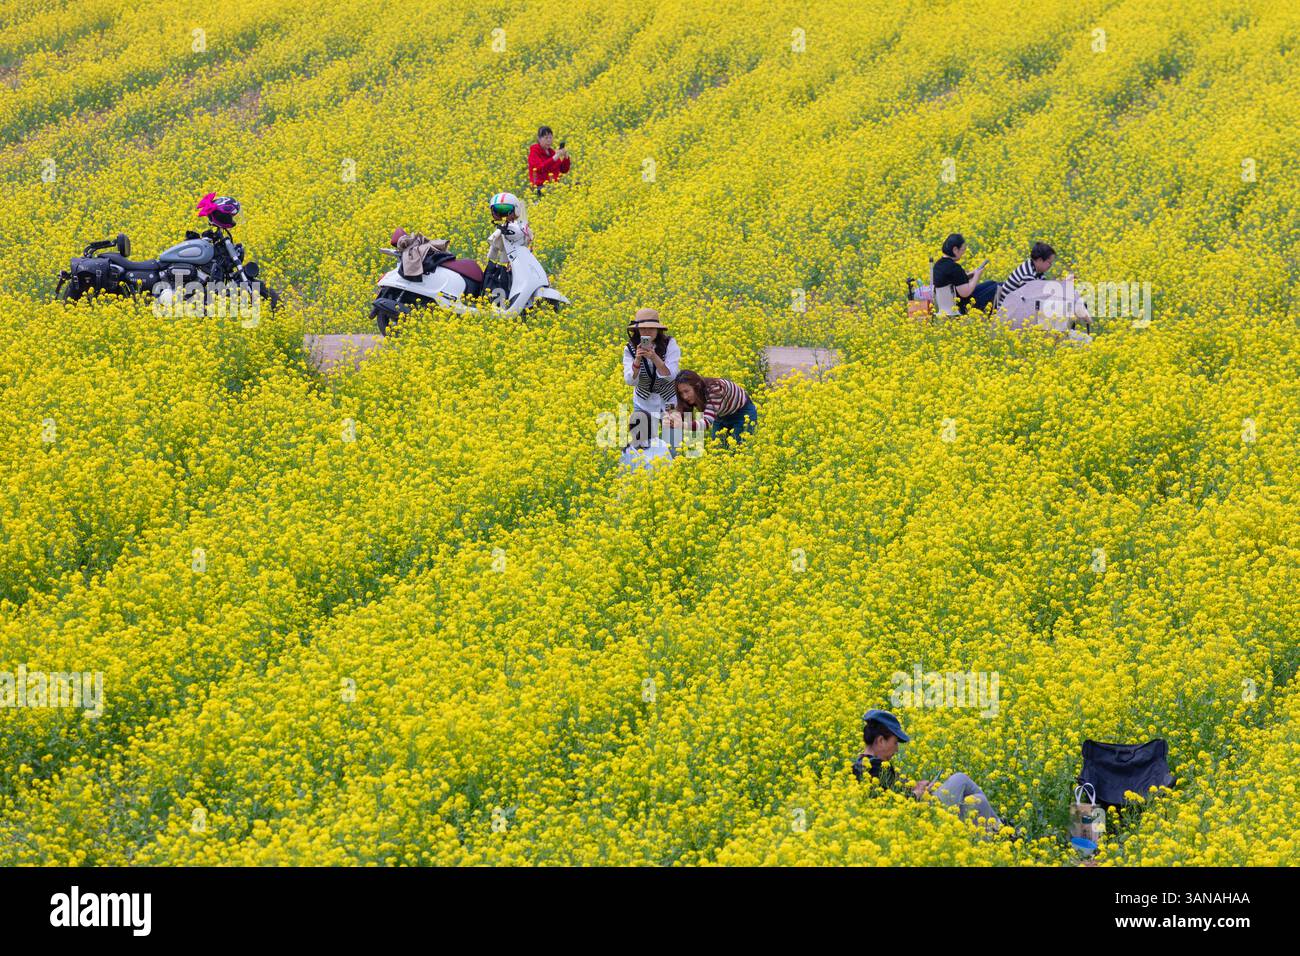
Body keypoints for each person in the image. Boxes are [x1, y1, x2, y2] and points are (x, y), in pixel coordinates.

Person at [852, 708, 1003, 830]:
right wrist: (918, 793)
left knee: (978, 802)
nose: (896, 750)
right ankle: (1003, 828)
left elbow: (891, 794)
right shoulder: (872, 768)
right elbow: (891, 806)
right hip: (918, 822)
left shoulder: (867, 764)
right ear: (880, 741)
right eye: (895, 743)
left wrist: (916, 787)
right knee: (960, 779)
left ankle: (995, 840)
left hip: (917, 814)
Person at [622, 308, 680, 448]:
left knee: (672, 445)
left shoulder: (670, 344)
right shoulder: (630, 349)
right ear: (637, 331)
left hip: (669, 401)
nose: (647, 332)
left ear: (658, 330)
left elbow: (671, 376)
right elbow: (630, 381)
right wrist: (637, 360)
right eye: (643, 329)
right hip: (643, 401)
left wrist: (654, 357)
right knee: (641, 447)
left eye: (651, 328)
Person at [667, 369, 757, 445]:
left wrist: (682, 425)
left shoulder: (715, 389)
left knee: (738, 449)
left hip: (742, 414)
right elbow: (687, 419)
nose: (684, 396)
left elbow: (706, 423)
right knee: (718, 448)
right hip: (721, 415)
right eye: (681, 393)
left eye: (686, 391)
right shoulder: (693, 396)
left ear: (697, 386)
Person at [931, 233, 999, 314]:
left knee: (991, 283)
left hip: (949, 304)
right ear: (955, 250)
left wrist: (971, 274)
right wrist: (977, 276)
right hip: (964, 306)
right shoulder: (954, 268)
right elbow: (965, 293)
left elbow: (954, 281)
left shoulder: (939, 265)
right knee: (998, 287)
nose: (963, 253)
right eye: (962, 250)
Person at [483, 192, 532, 299]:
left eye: (506, 209)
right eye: (499, 210)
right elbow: (494, 243)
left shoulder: (519, 226)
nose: (504, 213)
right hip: (505, 260)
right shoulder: (502, 228)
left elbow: (527, 236)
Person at [994, 241, 1055, 309]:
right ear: (1040, 260)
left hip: (1015, 305)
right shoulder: (1028, 274)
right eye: (1049, 263)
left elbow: (1042, 287)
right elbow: (1030, 300)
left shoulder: (1035, 267)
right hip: (1007, 311)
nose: (1050, 266)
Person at [528, 125, 571, 197]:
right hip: (540, 187)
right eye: (546, 138)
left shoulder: (551, 152)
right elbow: (540, 168)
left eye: (550, 137)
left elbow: (563, 170)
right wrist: (555, 157)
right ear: (539, 139)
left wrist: (566, 157)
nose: (549, 140)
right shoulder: (534, 152)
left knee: (577, 186)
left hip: (554, 186)